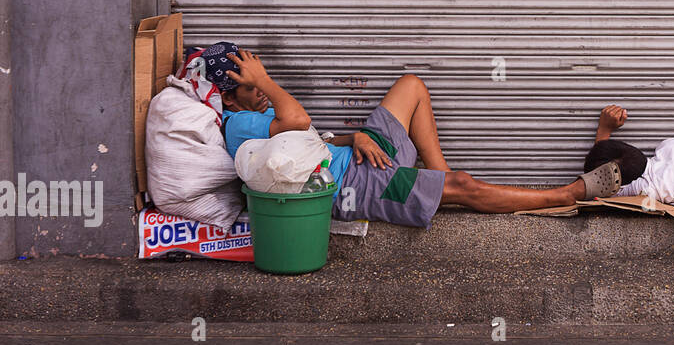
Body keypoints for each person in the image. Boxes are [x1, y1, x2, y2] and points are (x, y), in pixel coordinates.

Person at [196, 42, 623, 227]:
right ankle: (567, 195)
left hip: (361, 154)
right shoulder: (238, 123)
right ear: (230, 99)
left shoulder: (255, 115)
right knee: (466, 186)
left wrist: (356, 137)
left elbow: (306, 141)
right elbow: (299, 120)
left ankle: (441, 183)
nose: (261, 90)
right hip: (354, 182)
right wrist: (268, 82)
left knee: (412, 85)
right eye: (251, 85)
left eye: (259, 81)